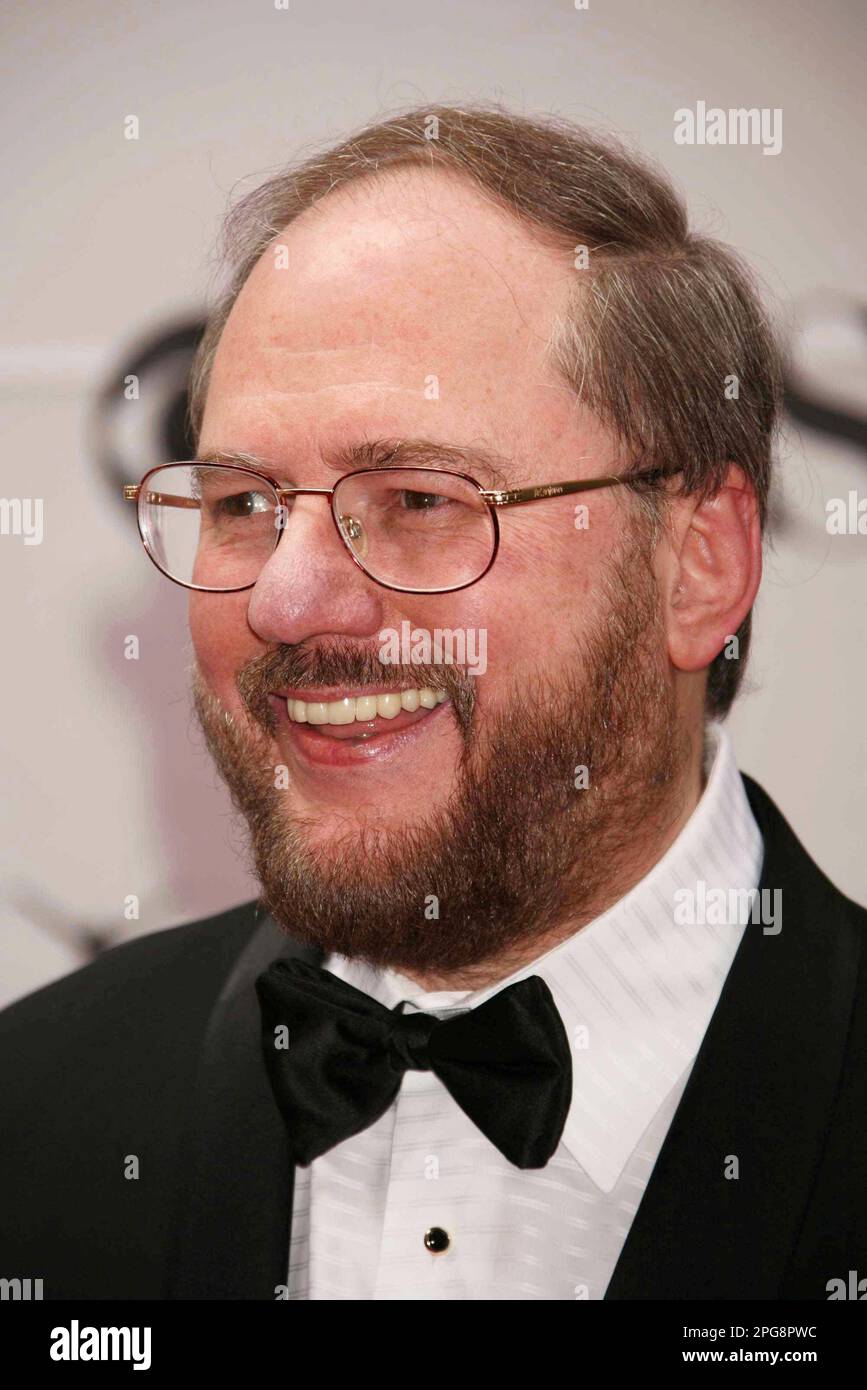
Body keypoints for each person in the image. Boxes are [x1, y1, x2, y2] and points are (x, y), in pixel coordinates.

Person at [2, 104, 864, 1302]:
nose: (286, 602)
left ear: (698, 562)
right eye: (244, 502)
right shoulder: (31, 1107)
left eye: (417, 498)